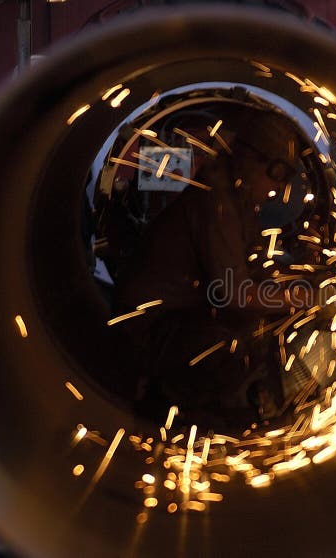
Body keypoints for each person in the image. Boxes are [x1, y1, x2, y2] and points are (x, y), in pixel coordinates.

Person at [112, 107, 309, 429]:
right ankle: (178, 410)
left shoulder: (238, 200)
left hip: (176, 317)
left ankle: (255, 402)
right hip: (146, 330)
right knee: (232, 343)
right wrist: (302, 299)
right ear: (250, 158)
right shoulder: (217, 202)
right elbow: (234, 294)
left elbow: (254, 269)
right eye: (276, 173)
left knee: (261, 324)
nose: (277, 187)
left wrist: (292, 282)